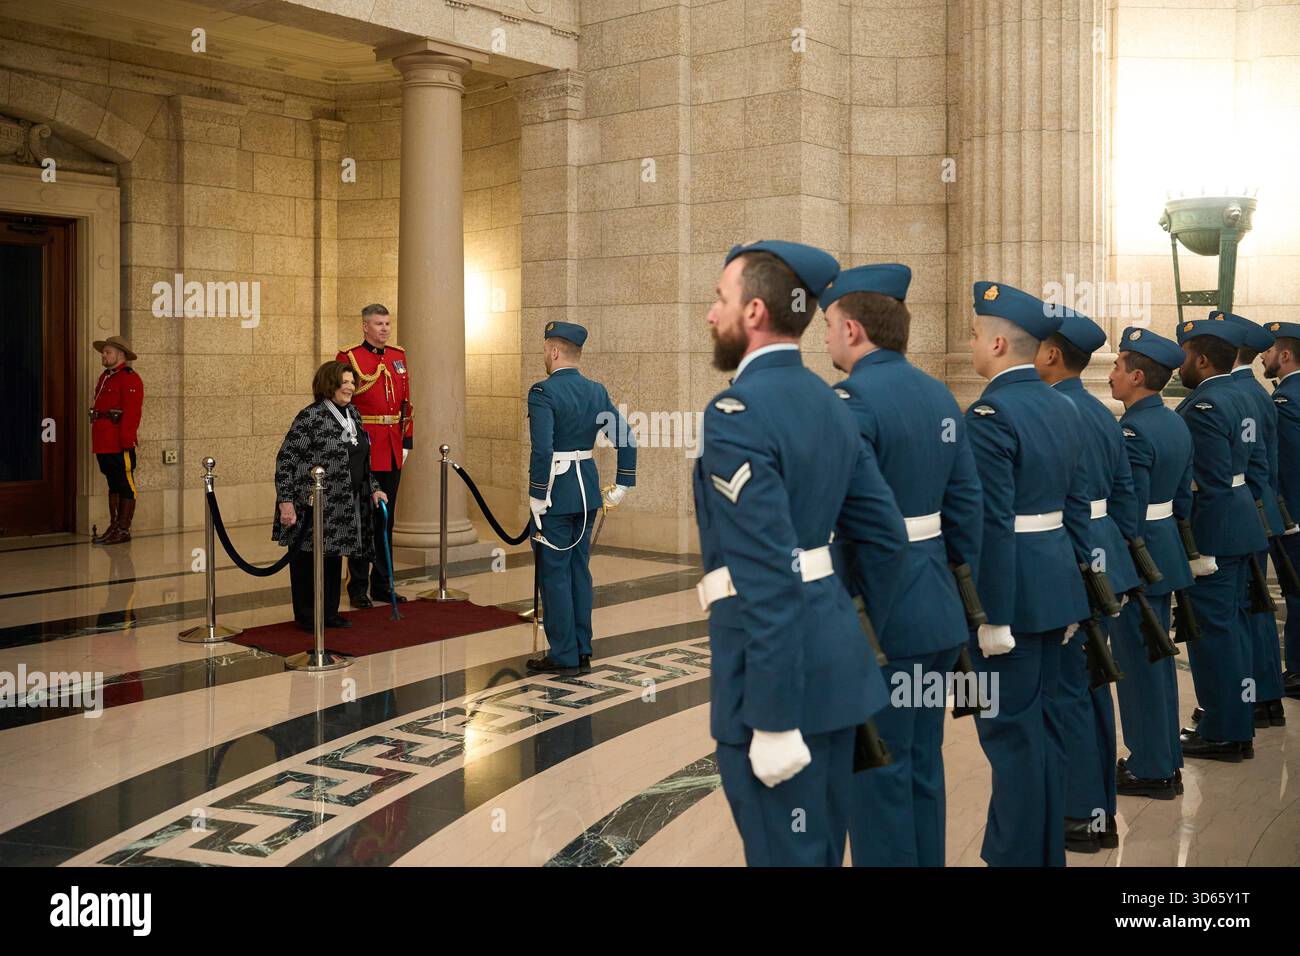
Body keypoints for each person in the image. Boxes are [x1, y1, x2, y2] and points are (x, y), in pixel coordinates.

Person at [694, 240, 906, 867]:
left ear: (754, 311)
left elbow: (767, 576)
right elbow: (887, 542)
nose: (711, 314)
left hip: (773, 683)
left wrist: (774, 716)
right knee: (818, 849)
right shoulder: (832, 403)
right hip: (836, 670)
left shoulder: (736, 412)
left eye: (720, 299)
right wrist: (847, 632)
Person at [821, 262, 982, 867]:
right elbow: (967, 512)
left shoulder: (851, 401)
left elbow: (837, 517)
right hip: (936, 611)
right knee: (920, 764)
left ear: (855, 328)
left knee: (877, 774)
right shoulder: (938, 394)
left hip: (877, 621)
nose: (828, 337)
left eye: (831, 324)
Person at [964, 281, 1092, 867]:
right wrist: (1079, 593)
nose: (970, 343)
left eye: (972, 333)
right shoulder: (1063, 406)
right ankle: (1042, 854)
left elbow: (990, 524)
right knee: (1042, 728)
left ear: (996, 342)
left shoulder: (990, 413)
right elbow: (1078, 508)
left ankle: (1016, 857)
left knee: (1010, 737)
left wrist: (990, 615)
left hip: (1011, 600)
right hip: (1056, 590)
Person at [1034, 310, 1138, 853]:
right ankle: (1099, 811)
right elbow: (1124, 498)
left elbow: (1060, 503)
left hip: (1071, 559)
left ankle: (1079, 813)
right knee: (1093, 688)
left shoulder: (1052, 411)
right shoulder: (1101, 412)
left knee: (1068, 692)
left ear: (1052, 354)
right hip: (1105, 557)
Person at [1174, 313, 1266, 762]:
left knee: (1213, 633)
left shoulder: (1207, 405)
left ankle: (1223, 729)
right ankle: (1235, 721)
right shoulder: (1245, 395)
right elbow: (1256, 469)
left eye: (1186, 356)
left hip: (1218, 532)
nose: (1180, 365)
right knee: (1231, 627)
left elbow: (1208, 484)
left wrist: (1199, 548)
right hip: (1241, 522)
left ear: (1204, 361)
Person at [1108, 327, 1194, 800]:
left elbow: (1128, 510)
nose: (1111, 376)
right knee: (1155, 662)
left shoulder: (1134, 429)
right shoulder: (1173, 421)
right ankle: (1165, 759)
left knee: (1139, 667)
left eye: (1118, 367)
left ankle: (1150, 767)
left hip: (1138, 560)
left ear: (1138, 375)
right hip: (1164, 552)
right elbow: (1182, 499)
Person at [525, 321, 636, 677]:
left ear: (554, 352)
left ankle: (563, 652)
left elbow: (542, 449)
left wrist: (537, 494)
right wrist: (623, 484)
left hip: (556, 494)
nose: (545, 355)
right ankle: (582, 646)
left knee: (554, 574)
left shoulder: (542, 392)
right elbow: (626, 438)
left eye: (546, 349)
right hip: (587, 492)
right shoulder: (596, 391)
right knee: (578, 570)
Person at [273, 361, 388, 632]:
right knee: (307, 561)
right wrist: (285, 501)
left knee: (333, 559)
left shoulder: (354, 414)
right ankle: (308, 616)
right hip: (312, 503)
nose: (350, 387)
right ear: (329, 385)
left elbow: (362, 461)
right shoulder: (310, 416)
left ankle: (329, 613)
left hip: (344, 506)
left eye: (352, 382)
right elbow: (285, 460)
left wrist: (373, 487)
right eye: (344, 382)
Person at [1220, 312, 1287, 729]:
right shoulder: (1255, 392)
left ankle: (1259, 696)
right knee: (1253, 605)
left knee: (1248, 607)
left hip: (1243, 513)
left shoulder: (1240, 393)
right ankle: (1263, 695)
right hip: (1257, 512)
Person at [338, 304, 412, 608]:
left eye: (387, 324)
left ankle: (384, 584)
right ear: (365, 326)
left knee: (386, 519)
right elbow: (342, 405)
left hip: (393, 446)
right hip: (364, 448)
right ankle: (357, 588)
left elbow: (407, 402)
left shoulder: (398, 356)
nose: (384, 329)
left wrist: (407, 440)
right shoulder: (350, 358)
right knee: (361, 519)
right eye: (378, 324)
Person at [1262, 322, 1300, 699]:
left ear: (1285, 356)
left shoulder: (1287, 400)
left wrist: (1284, 517)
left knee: (1296, 593)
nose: (1263, 355)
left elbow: (1286, 465)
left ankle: (1299, 671)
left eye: (1269, 350)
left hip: (1297, 515)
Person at [90, 335, 144, 545]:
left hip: (119, 441)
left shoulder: (130, 378)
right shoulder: (105, 377)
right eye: (104, 352)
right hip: (103, 440)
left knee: (125, 483)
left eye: (107, 352)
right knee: (112, 482)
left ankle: (123, 528)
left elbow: (132, 413)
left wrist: (127, 441)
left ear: (120, 355)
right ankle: (114, 526)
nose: (103, 355)